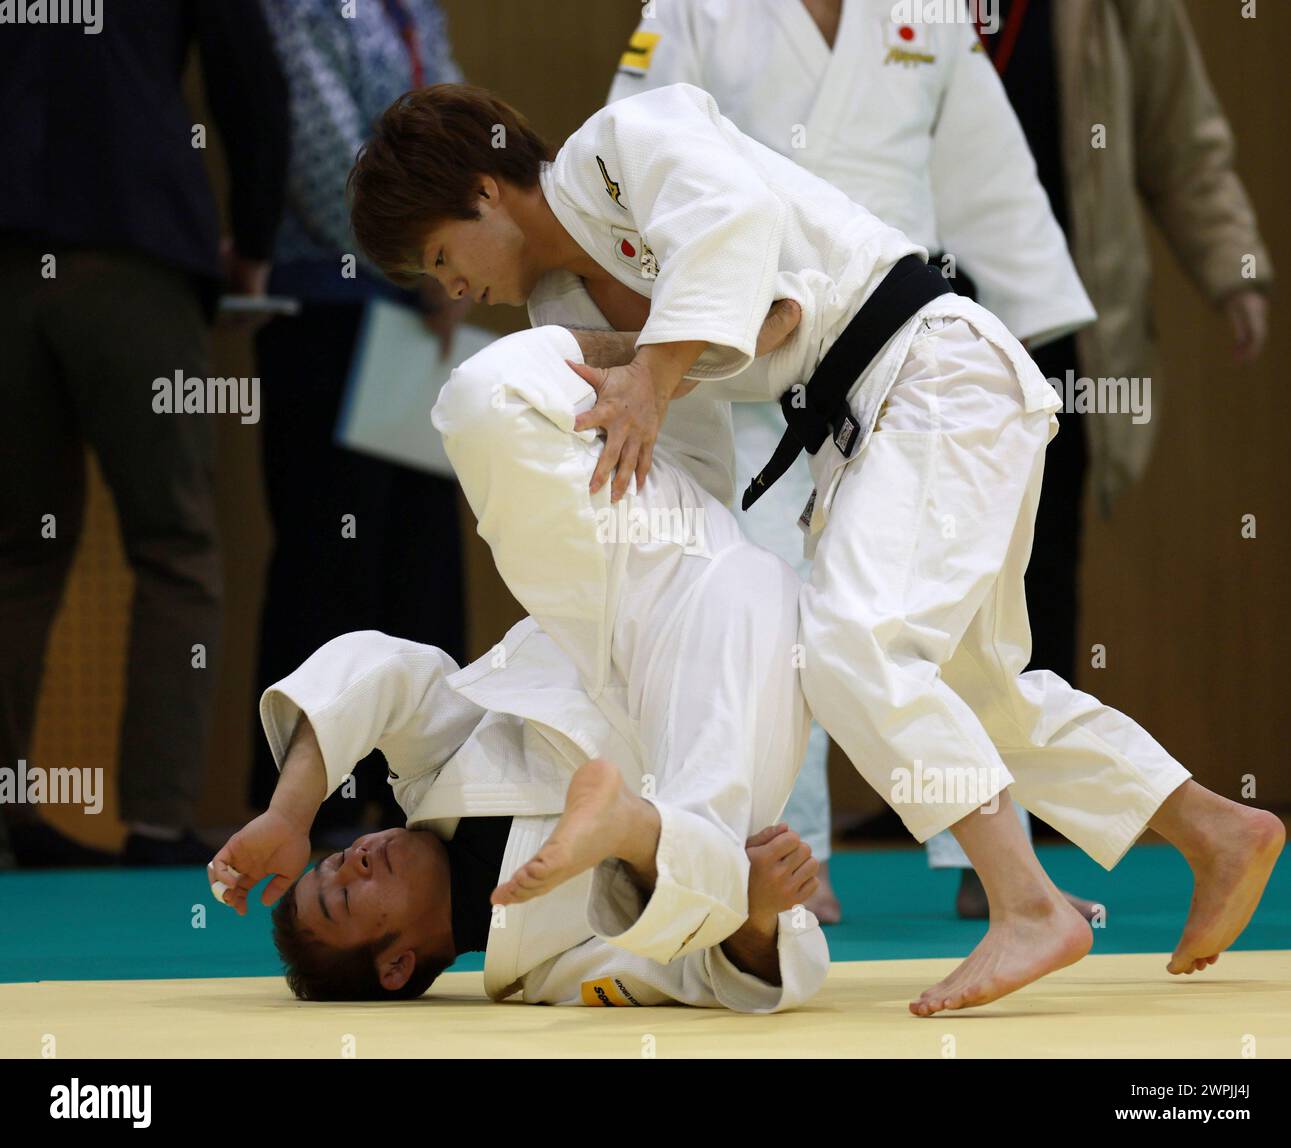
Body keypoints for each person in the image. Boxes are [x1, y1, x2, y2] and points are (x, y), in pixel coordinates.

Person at [345, 82, 1284, 1013]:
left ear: (480, 190)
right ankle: (1214, 828)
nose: (453, 290)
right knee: (971, 694)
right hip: (865, 433)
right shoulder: (559, 315)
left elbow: (740, 225)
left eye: (439, 257)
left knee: (852, 649)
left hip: (930, 374)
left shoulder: (623, 142)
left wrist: (667, 364)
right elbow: (697, 429)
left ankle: (1027, 904)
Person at [606, 0, 1102, 921]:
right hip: (753, 339)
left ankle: (986, 864)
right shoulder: (693, 10)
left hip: (900, 336)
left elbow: (983, 167)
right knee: (764, 603)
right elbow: (636, 160)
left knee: (940, 611)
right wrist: (658, 339)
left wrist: (1031, 315)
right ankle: (793, 859)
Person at [210, 323, 831, 1010]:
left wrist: (291, 814)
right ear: (395, 967)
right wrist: (759, 918)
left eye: (332, 864)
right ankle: (632, 827)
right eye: (345, 898)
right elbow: (695, 980)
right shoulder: (544, 967)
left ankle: (708, 316)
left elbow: (379, 669)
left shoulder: (431, 774)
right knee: (710, 831)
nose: (352, 861)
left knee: (508, 387)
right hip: (737, 667)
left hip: (657, 560)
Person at [0, 0, 289, 867]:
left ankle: (9, 816)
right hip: (137, 243)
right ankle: (159, 821)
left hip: (4, 258)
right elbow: (253, 82)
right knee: (175, 544)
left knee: (15, 552)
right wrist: (254, 240)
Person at [249, 0, 470, 848]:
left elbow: (447, 135)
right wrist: (425, 255)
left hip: (421, 315)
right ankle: (315, 803)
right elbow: (319, 158)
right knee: (328, 551)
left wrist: (443, 263)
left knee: (421, 556)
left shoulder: (414, 7)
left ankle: (420, 792)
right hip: (331, 307)